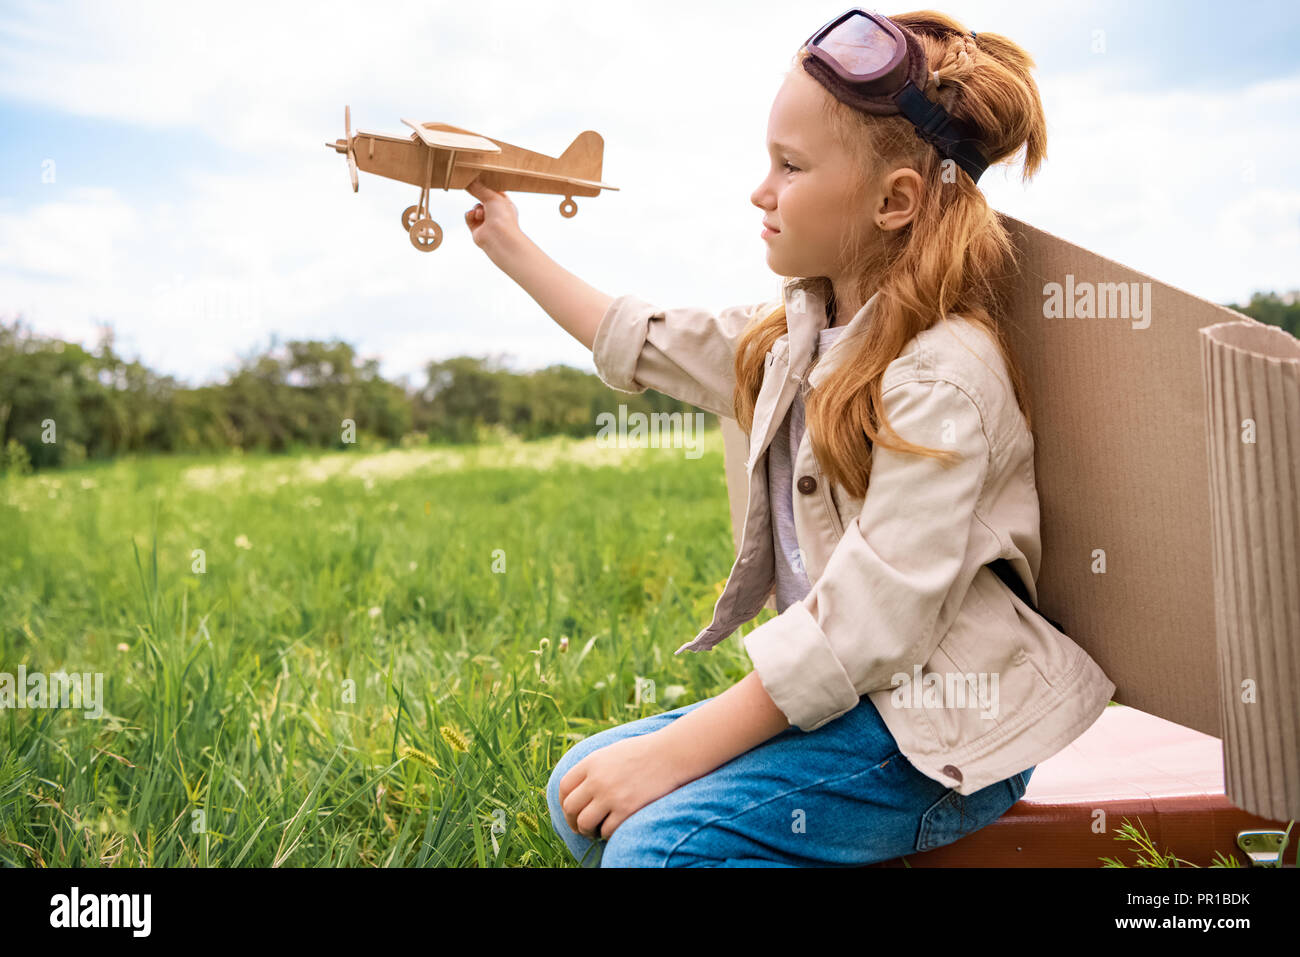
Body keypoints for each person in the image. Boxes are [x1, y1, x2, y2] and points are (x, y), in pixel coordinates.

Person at [464, 9, 1115, 867]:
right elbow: (647, 338)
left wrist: (673, 752)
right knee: (579, 788)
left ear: (894, 201)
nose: (759, 190)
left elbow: (869, 625)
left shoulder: (945, 376)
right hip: (865, 706)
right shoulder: (799, 335)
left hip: (939, 736)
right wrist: (510, 245)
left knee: (653, 848)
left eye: (790, 165)